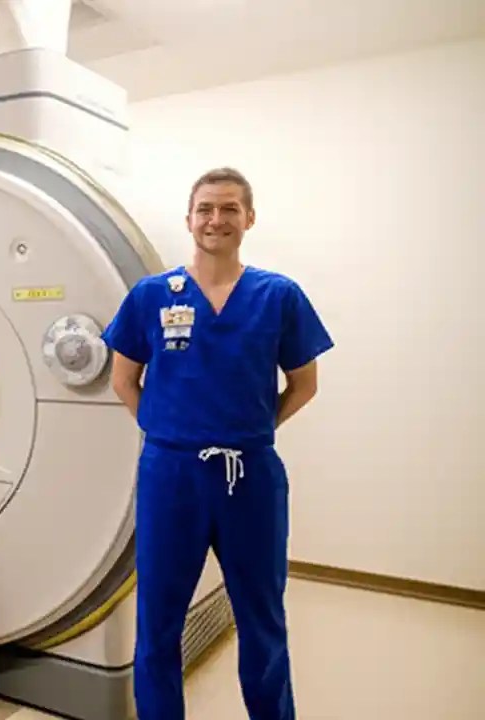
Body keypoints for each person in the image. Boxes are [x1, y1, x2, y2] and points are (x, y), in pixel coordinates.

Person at [101, 168, 333, 720]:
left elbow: (304, 384)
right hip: (170, 476)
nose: (216, 219)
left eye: (229, 209)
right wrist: (169, 432)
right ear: (189, 219)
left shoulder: (279, 296)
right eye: (206, 208)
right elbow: (121, 379)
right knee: (158, 622)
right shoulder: (152, 296)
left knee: (261, 619)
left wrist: (251, 430)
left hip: (249, 475)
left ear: (249, 218)